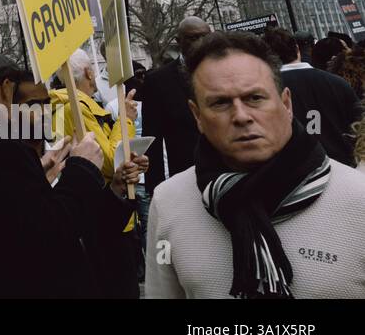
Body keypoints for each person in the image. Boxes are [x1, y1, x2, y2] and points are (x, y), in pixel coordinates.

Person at [146, 32, 365, 298]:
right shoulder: (169, 203)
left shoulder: (358, 198)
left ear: (286, 103)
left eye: (255, 98)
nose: (241, 116)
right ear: (197, 116)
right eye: (220, 102)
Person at [0, 46, 143, 298]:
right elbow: (48, 233)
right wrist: (82, 168)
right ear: (5, 87)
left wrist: (41, 179)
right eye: (31, 103)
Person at [47, 51, 141, 298]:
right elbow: (109, 162)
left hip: (105, 214)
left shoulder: (71, 105)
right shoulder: (74, 107)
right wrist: (125, 122)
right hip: (106, 219)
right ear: (89, 72)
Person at [262, 27, 361, 167]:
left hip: (296, 173)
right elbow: (359, 126)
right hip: (345, 167)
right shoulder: (337, 82)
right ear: (297, 48)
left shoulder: (266, 93)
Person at [140, 16, 212, 191]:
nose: (200, 43)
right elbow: (152, 139)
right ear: (178, 41)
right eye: (193, 38)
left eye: (205, 36)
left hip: (229, 173)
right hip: (186, 178)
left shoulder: (226, 70)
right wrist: (155, 188)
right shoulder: (158, 81)